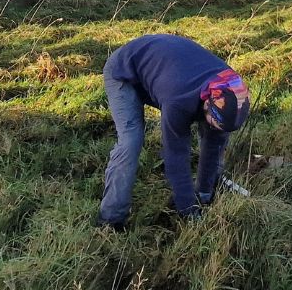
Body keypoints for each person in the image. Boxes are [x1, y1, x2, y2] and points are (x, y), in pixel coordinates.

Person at [98, 34, 250, 230]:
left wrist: (204, 195)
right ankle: (110, 220)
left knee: (214, 134)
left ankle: (206, 191)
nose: (215, 128)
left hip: (163, 69)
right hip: (125, 70)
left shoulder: (230, 93)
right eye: (214, 121)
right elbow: (175, 156)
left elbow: (215, 143)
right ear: (207, 103)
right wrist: (188, 210)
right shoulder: (179, 100)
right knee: (131, 140)